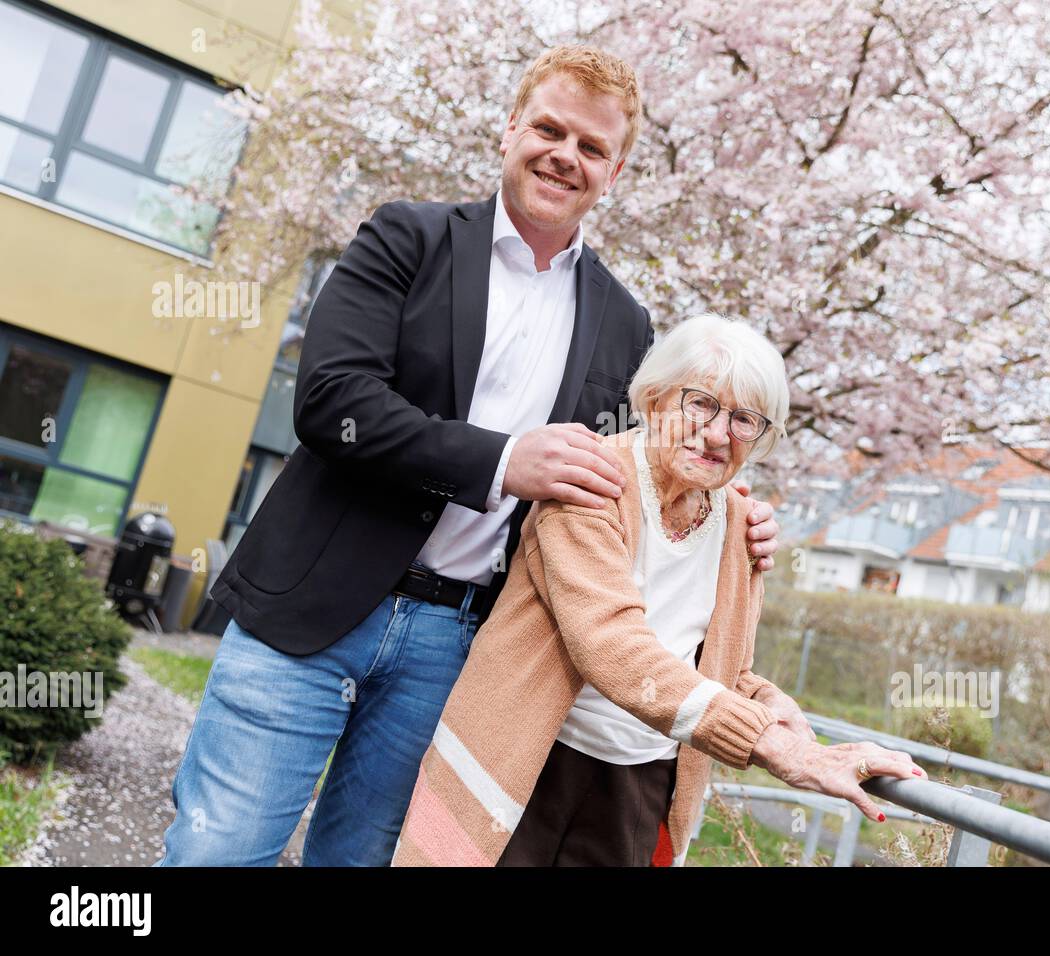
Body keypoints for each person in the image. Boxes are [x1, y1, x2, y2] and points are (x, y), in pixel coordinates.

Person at [157, 46, 781, 867]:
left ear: (616, 171)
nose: (566, 156)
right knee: (220, 852)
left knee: (364, 862)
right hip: (310, 611)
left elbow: (634, 477)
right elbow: (331, 399)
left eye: (592, 147)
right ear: (510, 129)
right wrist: (501, 463)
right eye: (549, 130)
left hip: (457, 648)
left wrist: (730, 519)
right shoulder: (405, 237)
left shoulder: (626, 324)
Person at [392, 314, 928, 867]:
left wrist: (782, 716)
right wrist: (773, 747)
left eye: (745, 419)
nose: (718, 433)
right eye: (700, 403)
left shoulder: (742, 526)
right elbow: (611, 643)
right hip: (526, 757)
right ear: (653, 399)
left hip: (641, 780)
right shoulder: (592, 483)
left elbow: (724, 668)